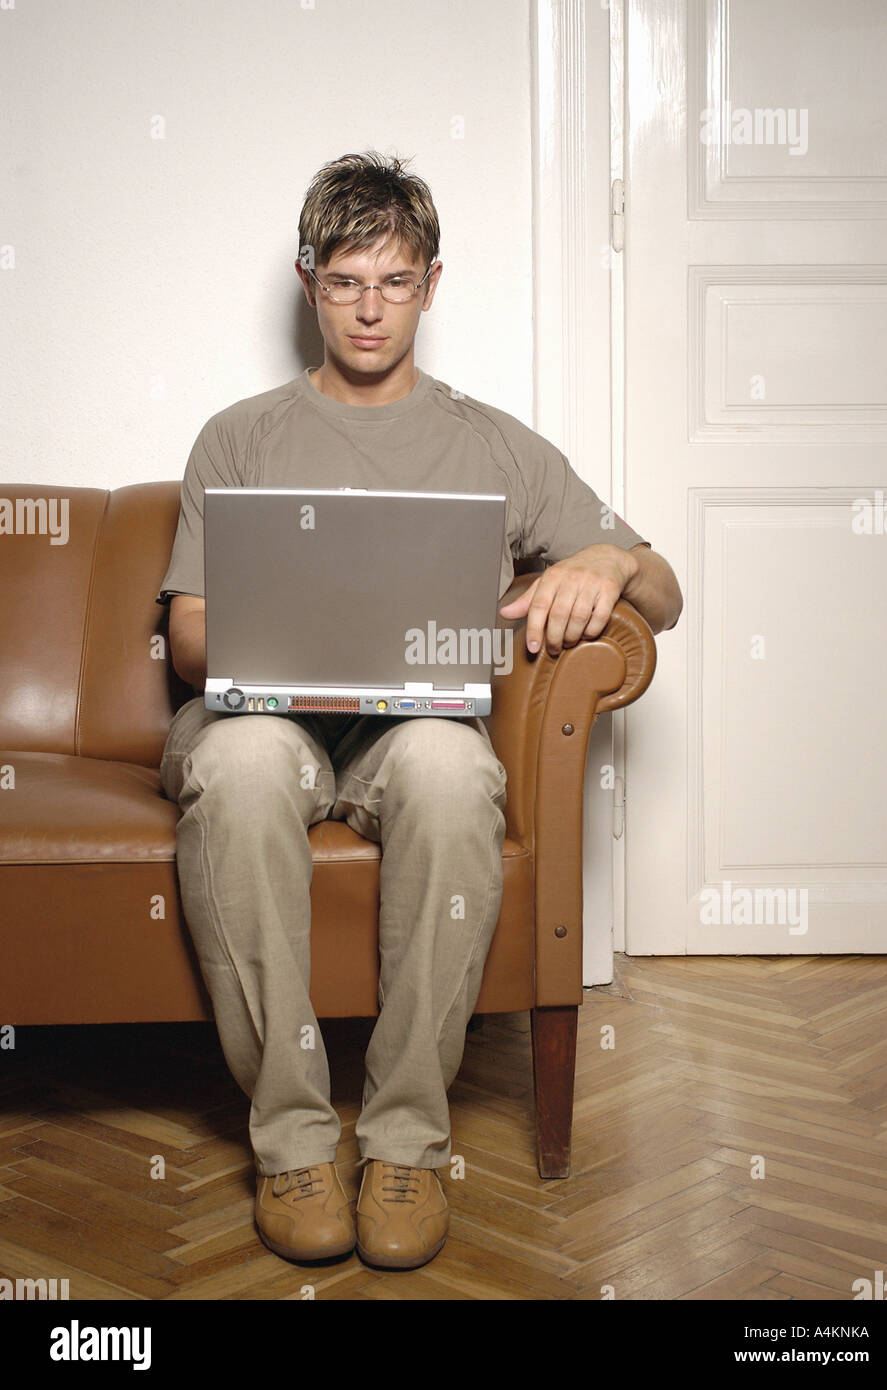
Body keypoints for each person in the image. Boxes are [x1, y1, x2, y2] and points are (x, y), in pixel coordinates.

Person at [156, 150, 682, 1271]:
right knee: (242, 766)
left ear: (430, 286)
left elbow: (666, 591)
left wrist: (601, 560)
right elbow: (189, 637)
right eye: (345, 279)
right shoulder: (237, 436)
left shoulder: (491, 442)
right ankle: (291, 1140)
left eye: (393, 281)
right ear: (308, 281)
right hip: (270, 725)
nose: (368, 306)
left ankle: (405, 1140)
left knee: (453, 772)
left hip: (414, 731)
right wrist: (283, 643)